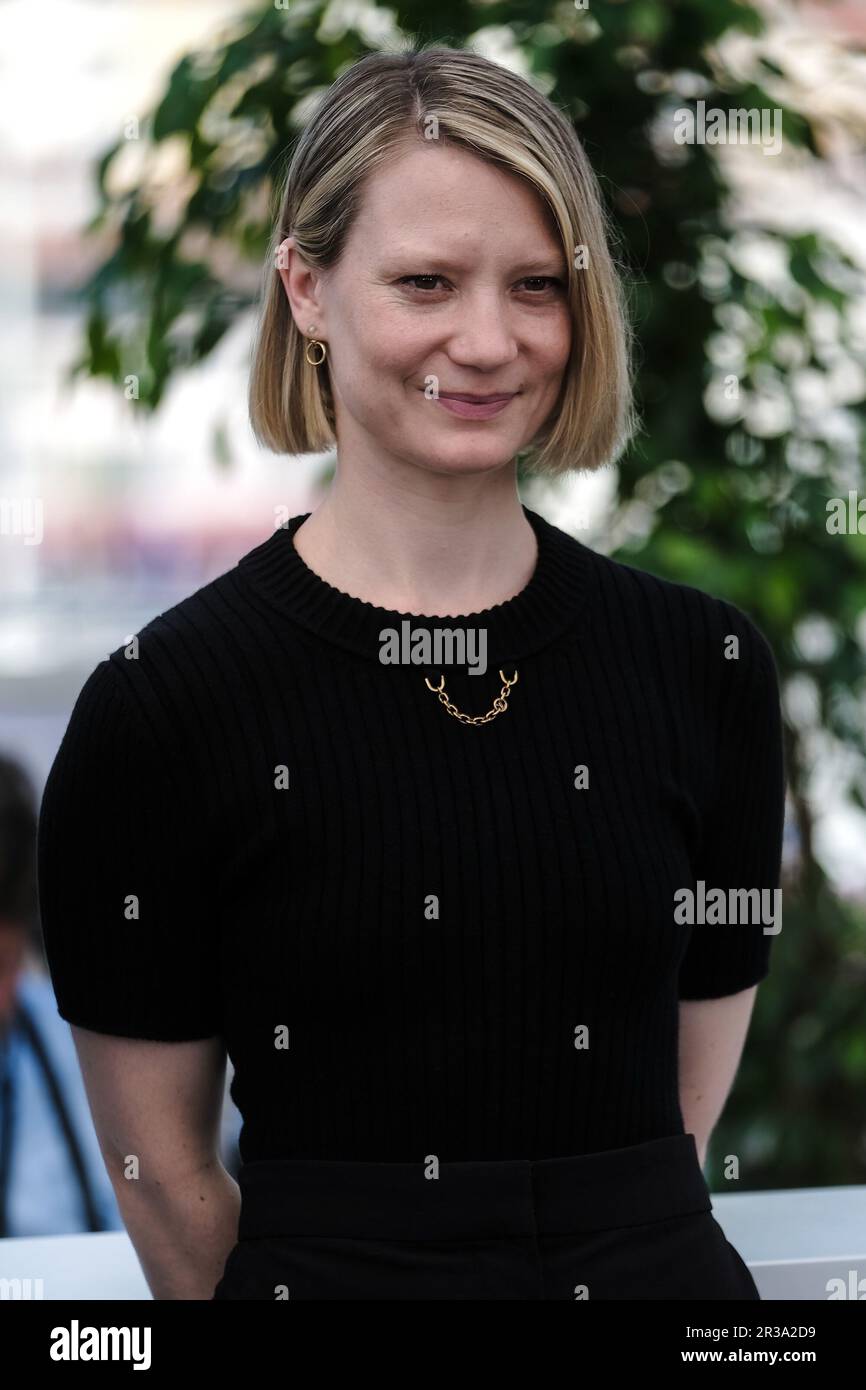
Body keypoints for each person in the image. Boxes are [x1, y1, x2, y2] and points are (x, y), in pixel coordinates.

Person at [36, 44, 786, 1300]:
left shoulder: (702, 666)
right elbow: (161, 1177)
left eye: (536, 285)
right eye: (425, 281)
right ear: (307, 288)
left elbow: (670, 1133)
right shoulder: (163, 707)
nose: (487, 340)